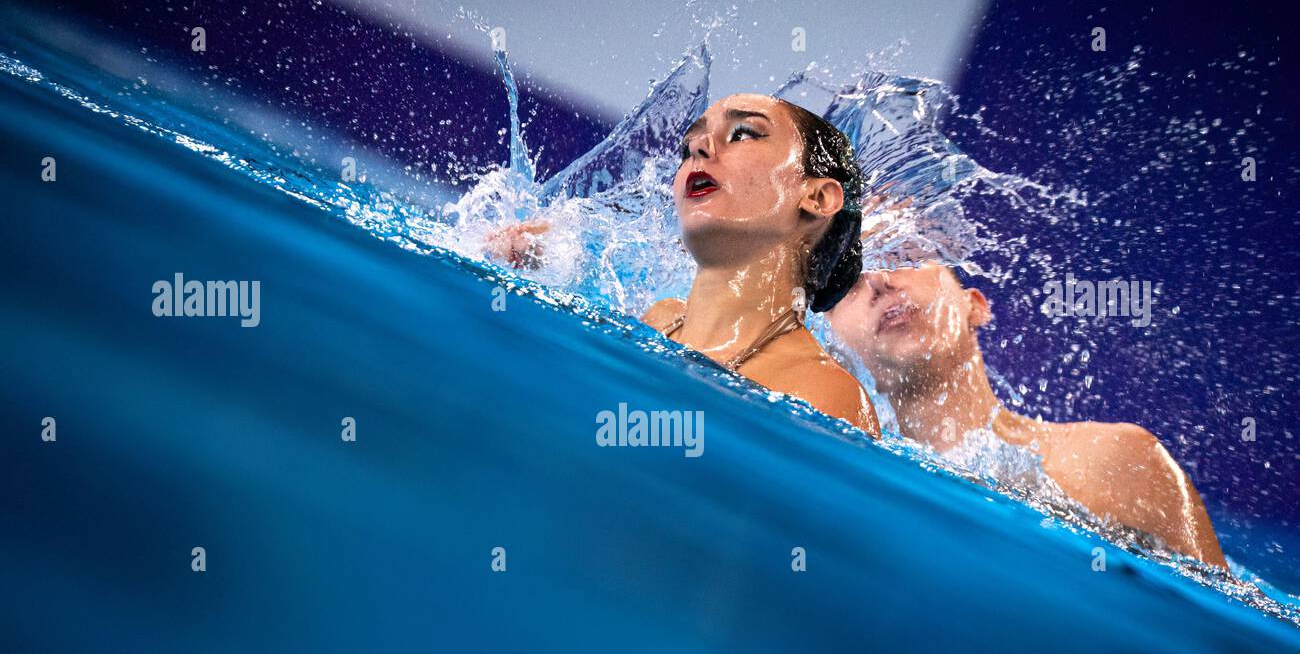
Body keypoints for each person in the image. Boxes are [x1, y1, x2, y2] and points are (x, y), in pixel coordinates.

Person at [488, 94, 880, 438]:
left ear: (818, 197)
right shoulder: (661, 321)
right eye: (688, 146)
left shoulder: (826, 395)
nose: (701, 148)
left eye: (743, 133)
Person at [825, 260, 1229, 568]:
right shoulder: (848, 499)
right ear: (838, 357)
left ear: (975, 306)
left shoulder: (1112, 458)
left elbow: (1227, 642)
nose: (878, 280)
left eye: (903, 256)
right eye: (848, 283)